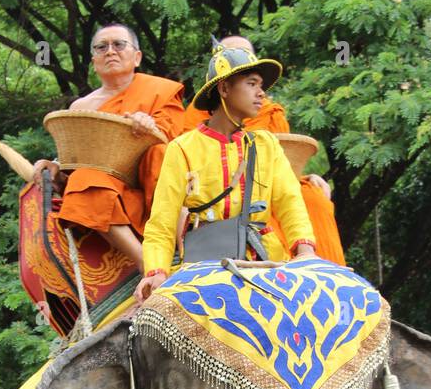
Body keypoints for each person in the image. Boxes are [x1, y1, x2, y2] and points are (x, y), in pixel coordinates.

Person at [136, 42, 316, 303]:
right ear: (224, 88)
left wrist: (305, 250)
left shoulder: (266, 144)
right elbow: (162, 222)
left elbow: (290, 202)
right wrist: (156, 271)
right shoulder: (183, 148)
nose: (261, 93)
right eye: (252, 83)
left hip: (265, 262)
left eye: (261, 86)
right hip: (205, 266)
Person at [32, 23, 186, 268]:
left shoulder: (159, 90)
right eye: (101, 47)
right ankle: (148, 265)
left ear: (137, 57)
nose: (110, 51)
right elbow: (76, 157)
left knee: (161, 153)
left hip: (154, 186)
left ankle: (182, 244)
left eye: (119, 45)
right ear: (94, 60)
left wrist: (152, 128)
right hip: (110, 189)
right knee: (84, 179)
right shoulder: (81, 107)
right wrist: (54, 164)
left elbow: (181, 140)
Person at [182, 34, 345, 264]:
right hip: (218, 192)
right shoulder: (193, 123)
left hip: (265, 183)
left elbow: (282, 164)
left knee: (313, 198)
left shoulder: (269, 112)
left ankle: (325, 274)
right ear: (223, 83)